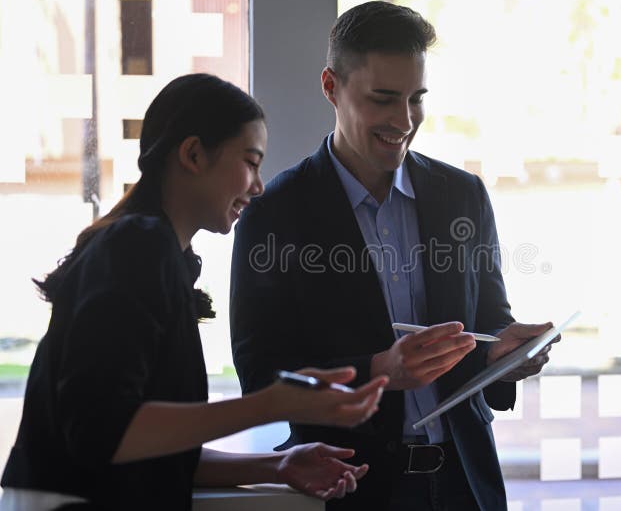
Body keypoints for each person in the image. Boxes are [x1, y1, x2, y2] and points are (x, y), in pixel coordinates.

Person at [0, 73, 389, 510]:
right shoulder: (137, 247)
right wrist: (271, 405)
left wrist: (275, 467)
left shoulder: (157, 254)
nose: (259, 186)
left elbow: (142, 445)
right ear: (193, 154)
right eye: (250, 161)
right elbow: (100, 433)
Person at [230, 1, 558, 511]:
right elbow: (261, 375)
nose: (403, 121)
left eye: (415, 99)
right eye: (383, 99)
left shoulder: (462, 195)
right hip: (351, 488)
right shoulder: (273, 214)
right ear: (331, 87)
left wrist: (503, 355)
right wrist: (379, 370)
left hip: (465, 483)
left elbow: (489, 321)